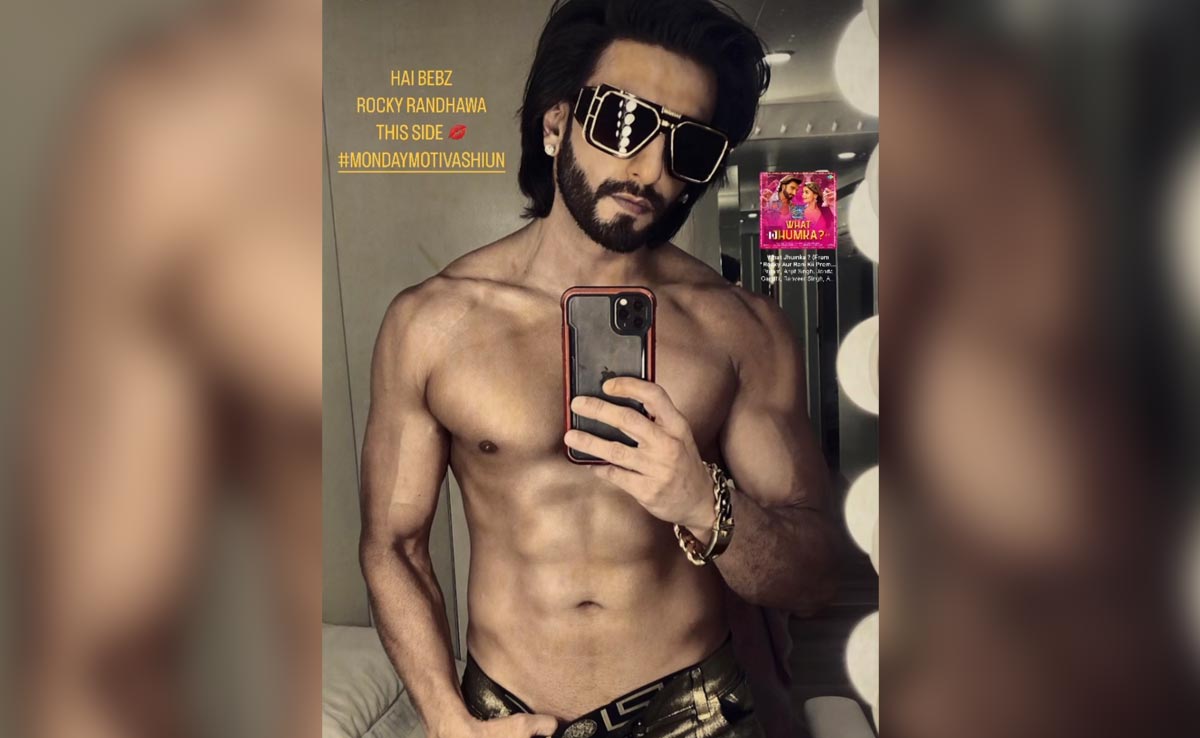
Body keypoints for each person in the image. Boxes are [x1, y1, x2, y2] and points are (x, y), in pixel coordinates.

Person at [358, 2, 838, 737]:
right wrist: (447, 719)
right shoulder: (432, 324)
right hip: (507, 714)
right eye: (623, 121)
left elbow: (815, 579)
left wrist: (702, 503)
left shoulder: (741, 330)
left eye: (687, 146)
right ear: (557, 125)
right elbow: (393, 546)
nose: (649, 168)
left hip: (695, 713)